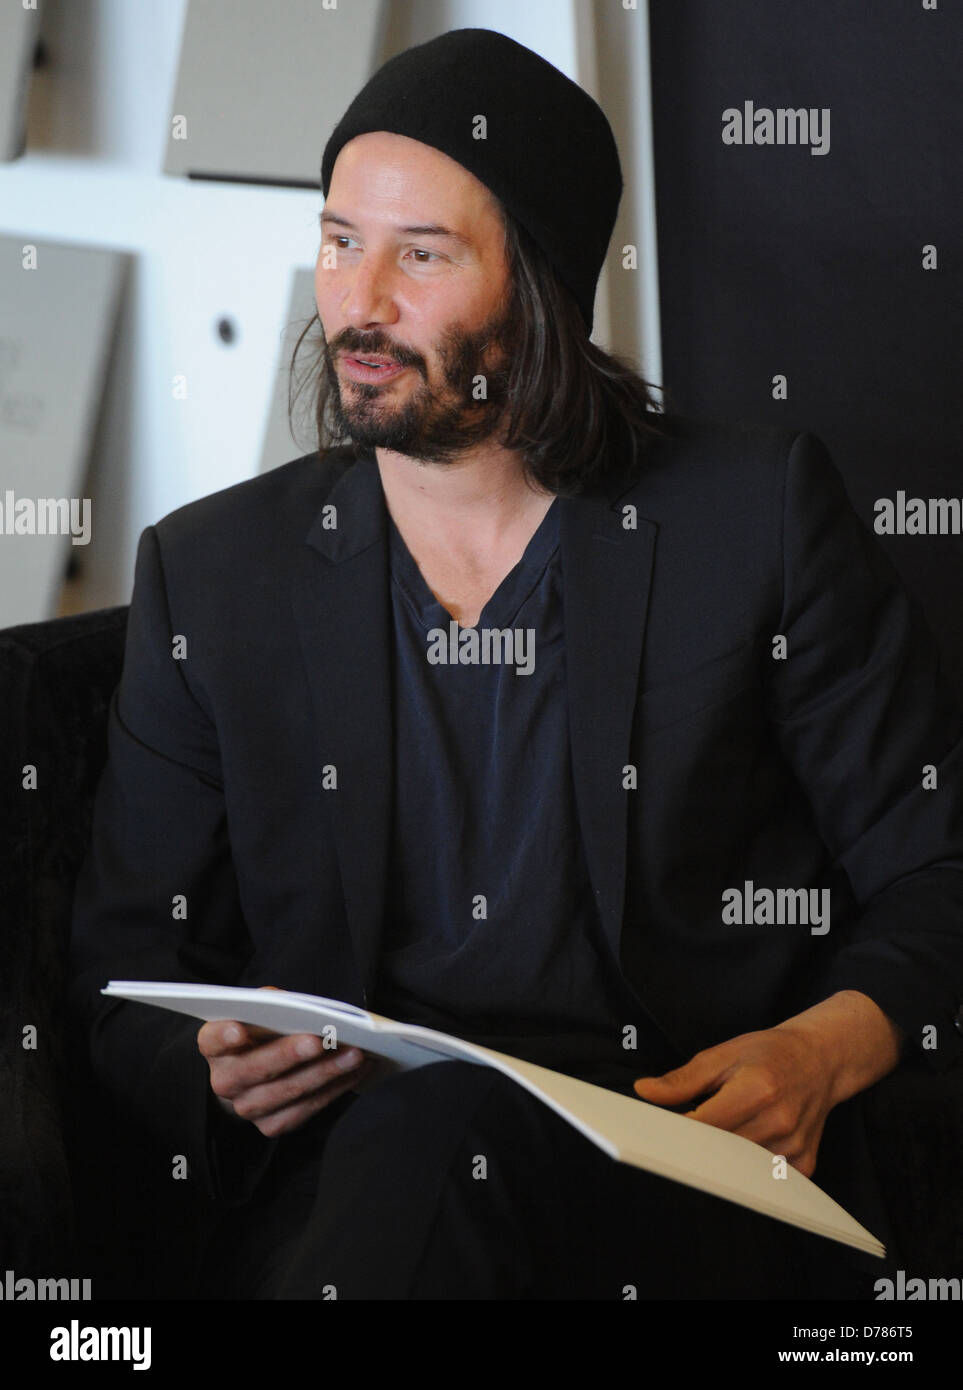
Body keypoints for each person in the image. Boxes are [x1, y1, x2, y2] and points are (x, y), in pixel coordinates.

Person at [69, 28, 963, 1300]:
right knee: (433, 1149)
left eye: (419, 256)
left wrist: (821, 1050)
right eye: (338, 240)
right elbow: (119, 973)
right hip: (353, 1181)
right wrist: (214, 1065)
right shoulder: (214, 574)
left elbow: (938, 864)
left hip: (685, 1160)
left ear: (537, 287)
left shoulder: (749, 523)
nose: (358, 303)